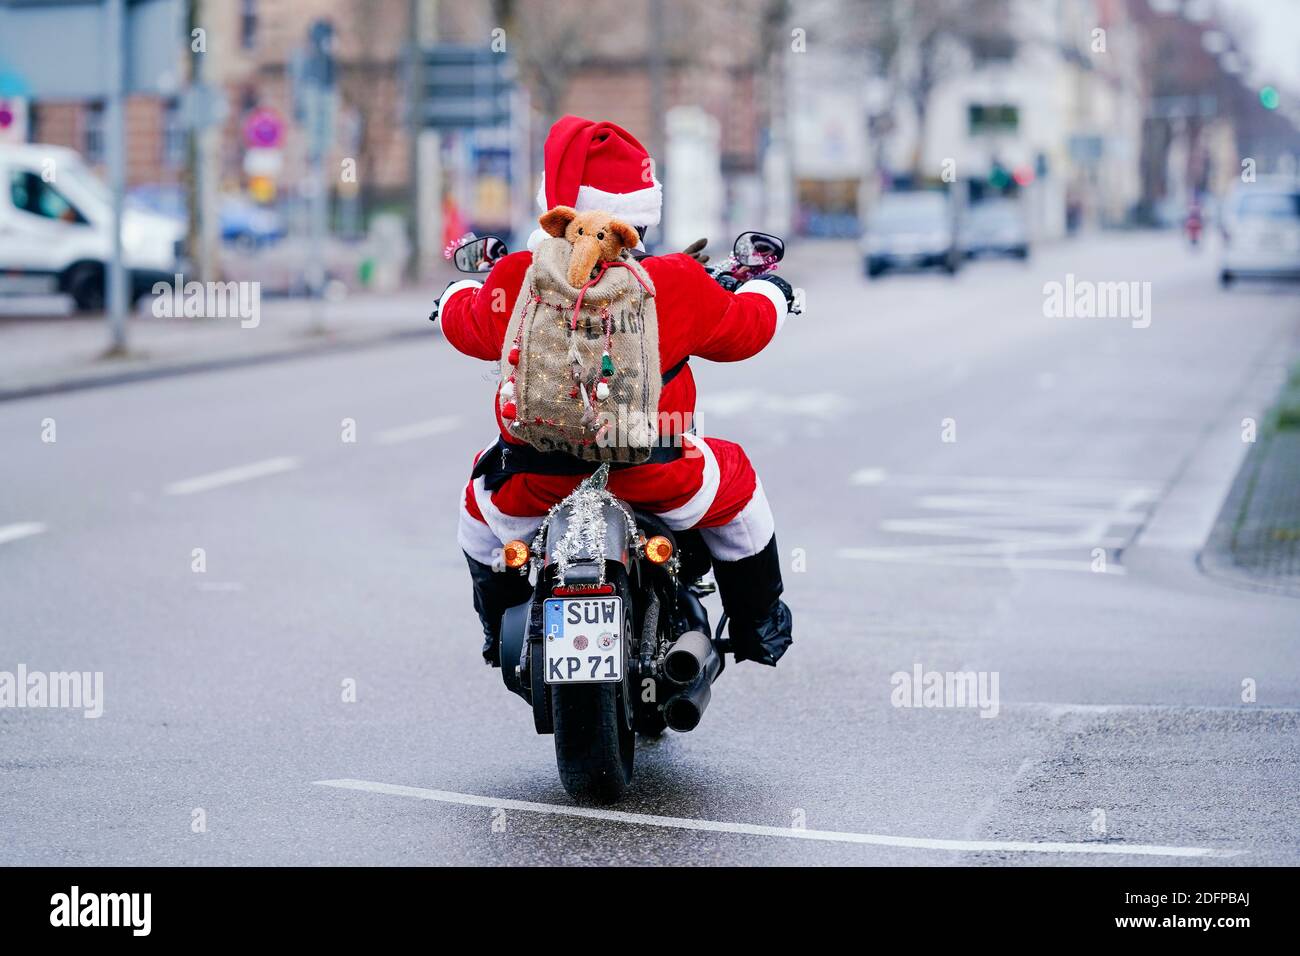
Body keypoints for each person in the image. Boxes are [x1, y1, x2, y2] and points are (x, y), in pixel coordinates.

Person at [437, 115, 795, 669]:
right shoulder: (673, 281)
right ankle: (758, 626)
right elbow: (746, 331)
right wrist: (769, 290)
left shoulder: (517, 277)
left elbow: (467, 325)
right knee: (739, 482)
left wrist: (459, 290)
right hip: (653, 472)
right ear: (640, 216)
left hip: (533, 480)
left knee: (475, 508)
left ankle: (500, 634)